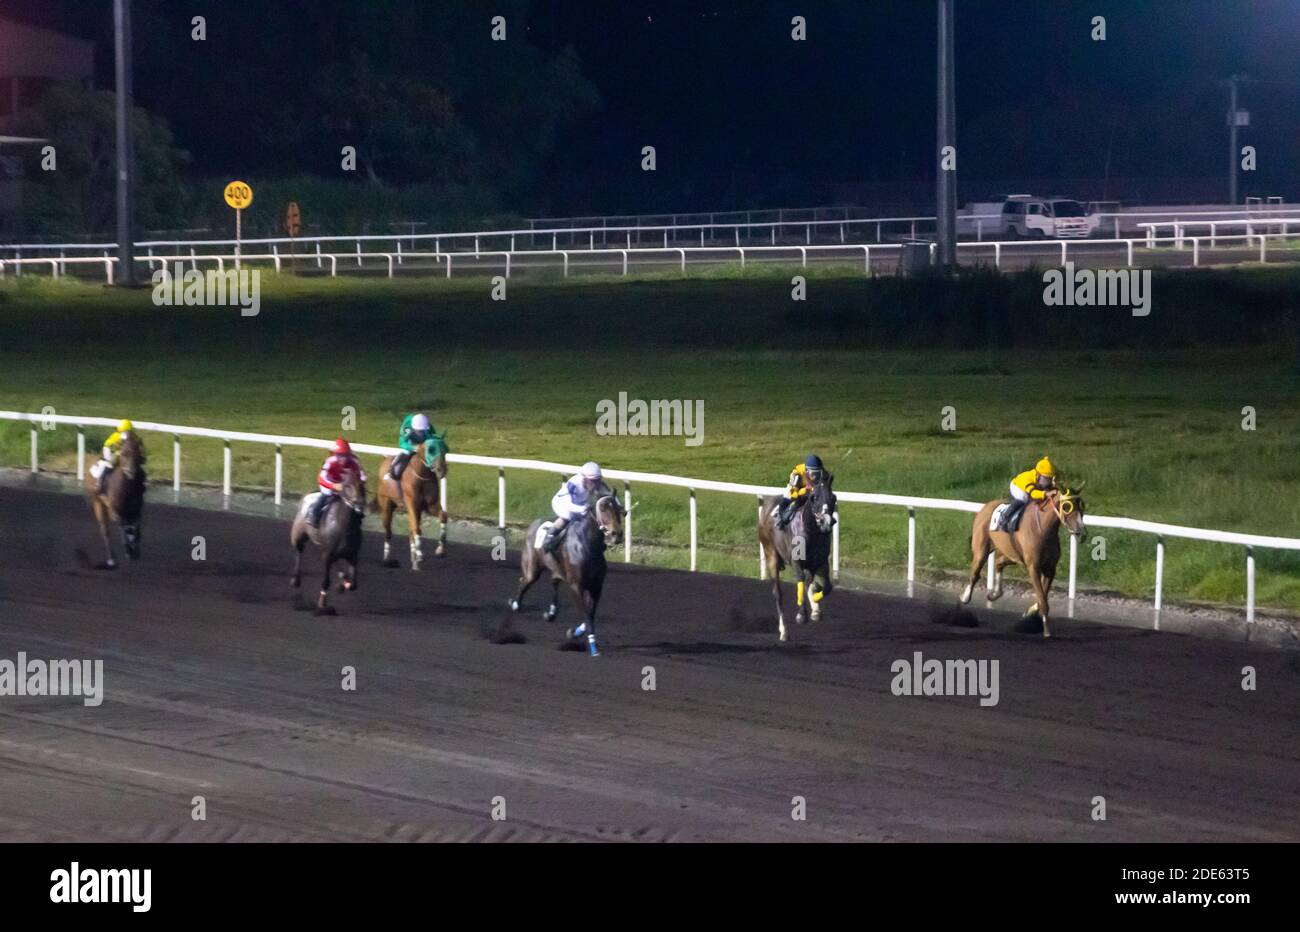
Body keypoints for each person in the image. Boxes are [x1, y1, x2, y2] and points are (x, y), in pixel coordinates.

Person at [542, 461, 612, 555]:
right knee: (567, 516)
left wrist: (619, 506)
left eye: (597, 480)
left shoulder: (597, 483)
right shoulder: (574, 484)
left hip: (581, 504)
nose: (596, 484)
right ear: (584, 479)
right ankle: (549, 537)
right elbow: (568, 504)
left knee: (595, 518)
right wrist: (582, 509)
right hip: (562, 504)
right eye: (593, 481)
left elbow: (609, 496)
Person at [310, 437, 366, 528]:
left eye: (345, 455)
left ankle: (357, 516)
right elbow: (321, 478)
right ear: (335, 454)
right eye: (339, 455)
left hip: (344, 484)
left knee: (357, 496)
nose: (342, 458)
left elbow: (362, 475)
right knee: (326, 495)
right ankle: (314, 514)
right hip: (328, 484)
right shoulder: (330, 461)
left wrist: (361, 481)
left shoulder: (354, 461)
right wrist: (333, 485)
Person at [999, 456, 1057, 532]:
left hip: (1031, 488)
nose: (1049, 482)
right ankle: (1004, 519)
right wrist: (1046, 494)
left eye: (1050, 478)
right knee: (1023, 498)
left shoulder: (1041, 479)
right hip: (1018, 487)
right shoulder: (1028, 478)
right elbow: (1033, 494)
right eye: (1046, 479)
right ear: (1038, 475)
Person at [94, 418, 145, 495]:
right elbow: (116, 448)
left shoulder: (125, 435)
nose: (130, 432)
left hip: (117, 450)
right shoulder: (122, 436)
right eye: (129, 430)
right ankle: (100, 482)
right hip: (109, 450)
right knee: (110, 464)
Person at [775, 454, 825, 529]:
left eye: (818, 473)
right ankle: (781, 518)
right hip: (795, 488)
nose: (815, 477)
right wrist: (801, 495)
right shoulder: (797, 474)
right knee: (790, 501)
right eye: (813, 474)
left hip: (807, 489)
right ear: (806, 471)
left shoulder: (819, 476)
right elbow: (794, 493)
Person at [389, 413, 436, 481]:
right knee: (406, 452)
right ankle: (392, 471)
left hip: (424, 442)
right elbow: (402, 443)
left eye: (423, 431)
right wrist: (413, 447)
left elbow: (434, 439)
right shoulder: (407, 427)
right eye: (419, 431)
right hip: (410, 442)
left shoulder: (428, 426)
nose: (421, 433)